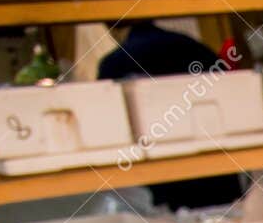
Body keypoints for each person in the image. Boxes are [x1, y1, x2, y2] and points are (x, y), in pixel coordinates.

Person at [98, 19, 244, 210]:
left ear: (110, 29)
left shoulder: (114, 63)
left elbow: (110, 127)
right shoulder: (194, 47)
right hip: (218, 170)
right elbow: (234, 99)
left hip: (164, 179)